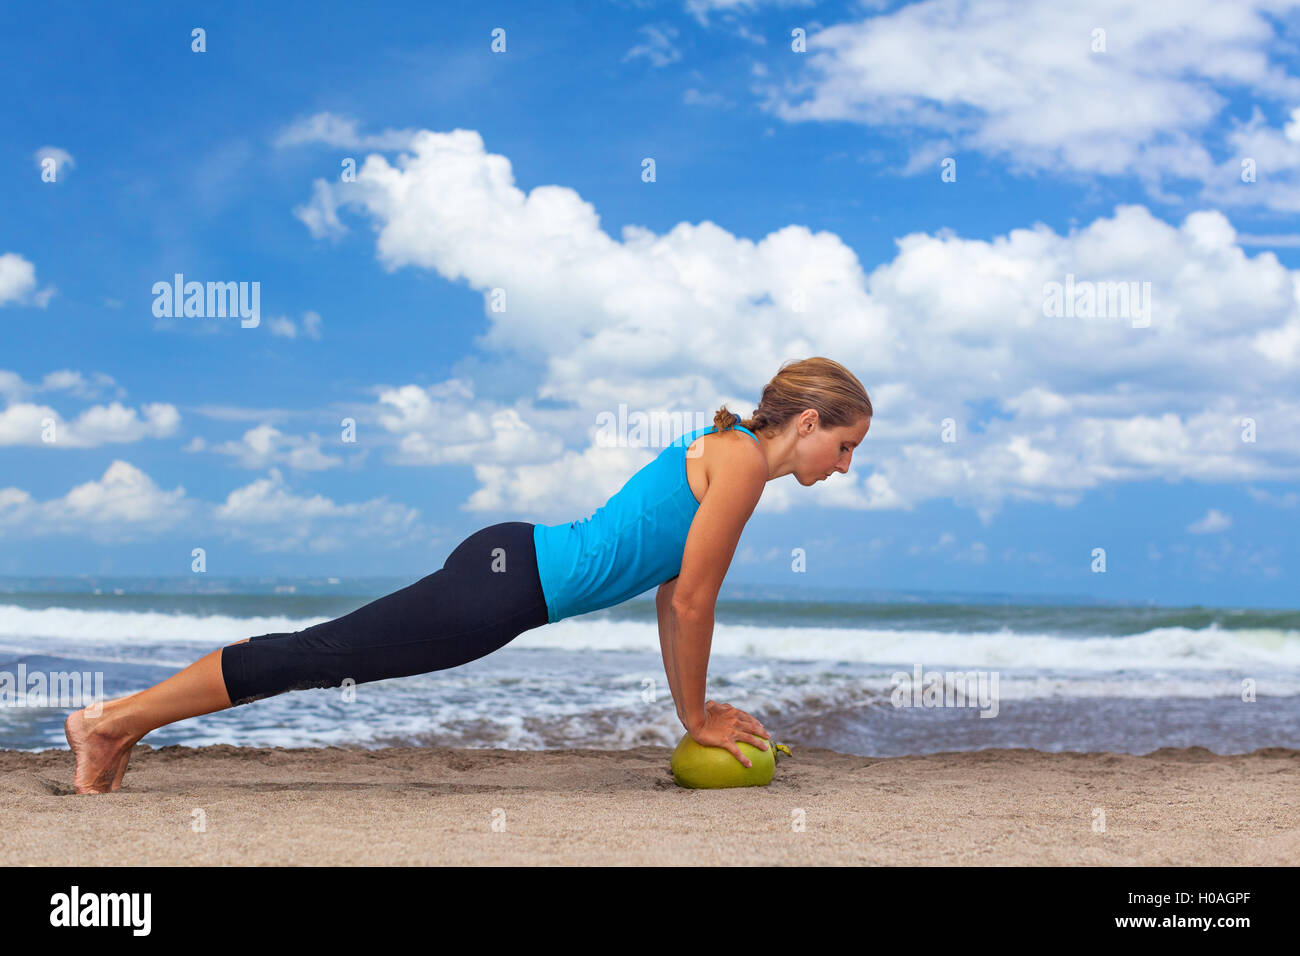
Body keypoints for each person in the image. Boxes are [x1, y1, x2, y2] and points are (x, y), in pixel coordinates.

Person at [65, 357, 872, 794]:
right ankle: (107, 724)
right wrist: (695, 720)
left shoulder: (730, 458)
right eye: (844, 447)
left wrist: (692, 709)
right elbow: (693, 601)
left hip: (512, 571)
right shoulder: (735, 465)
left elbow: (671, 595)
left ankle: (126, 722)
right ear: (808, 422)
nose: (843, 467)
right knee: (317, 656)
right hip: (507, 586)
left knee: (320, 650)